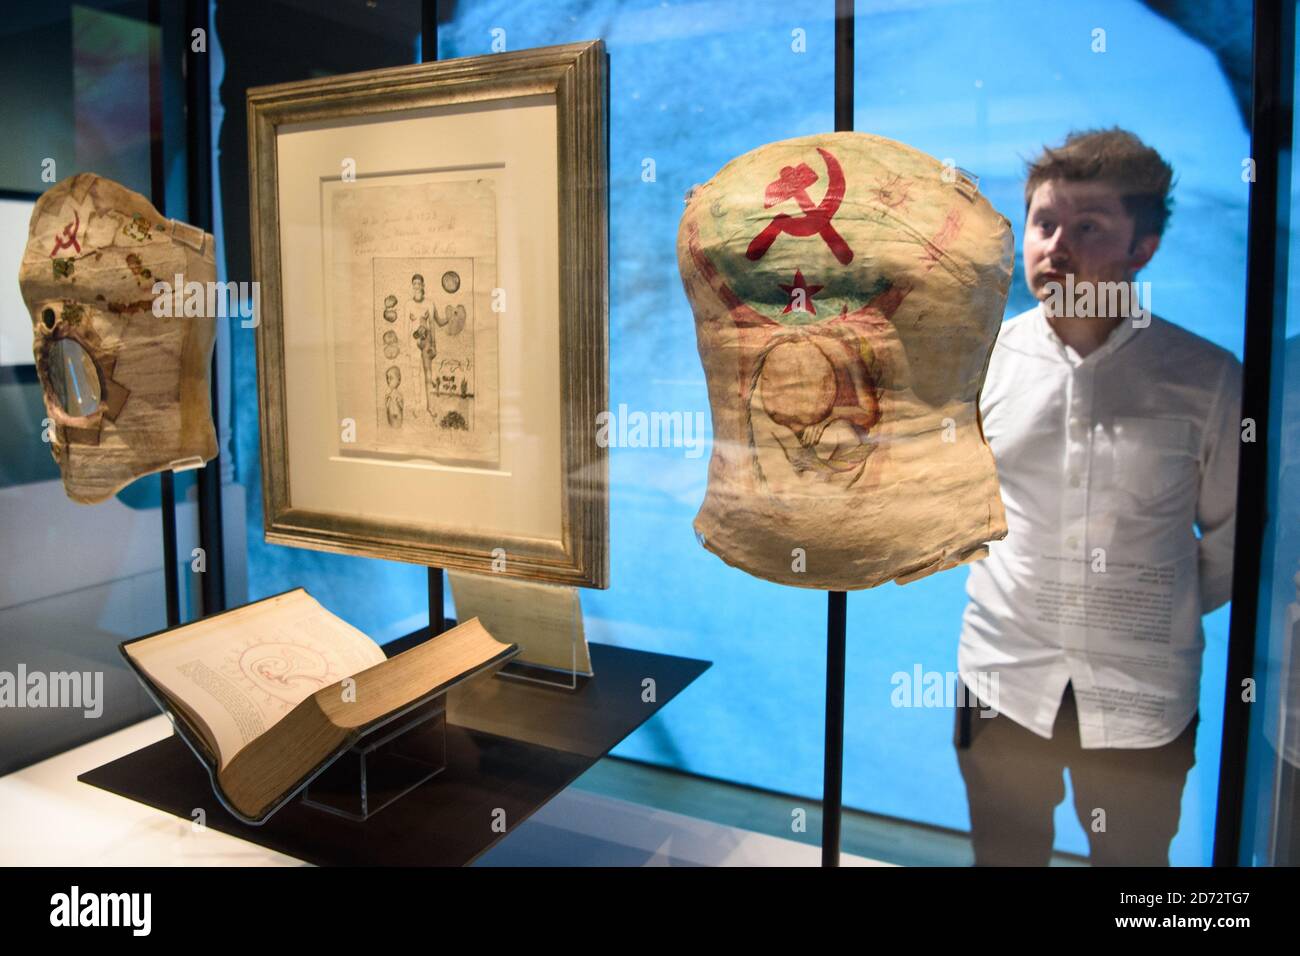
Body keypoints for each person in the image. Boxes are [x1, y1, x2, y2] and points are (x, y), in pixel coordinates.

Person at [955, 128, 1242, 866]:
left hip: (1141, 695)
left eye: (1088, 228)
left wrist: (1147, 611)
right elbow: (955, 509)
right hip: (1001, 678)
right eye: (1044, 224)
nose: (1056, 246)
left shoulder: (1207, 378)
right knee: (1003, 861)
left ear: (1142, 247)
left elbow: (1233, 542)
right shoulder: (980, 361)